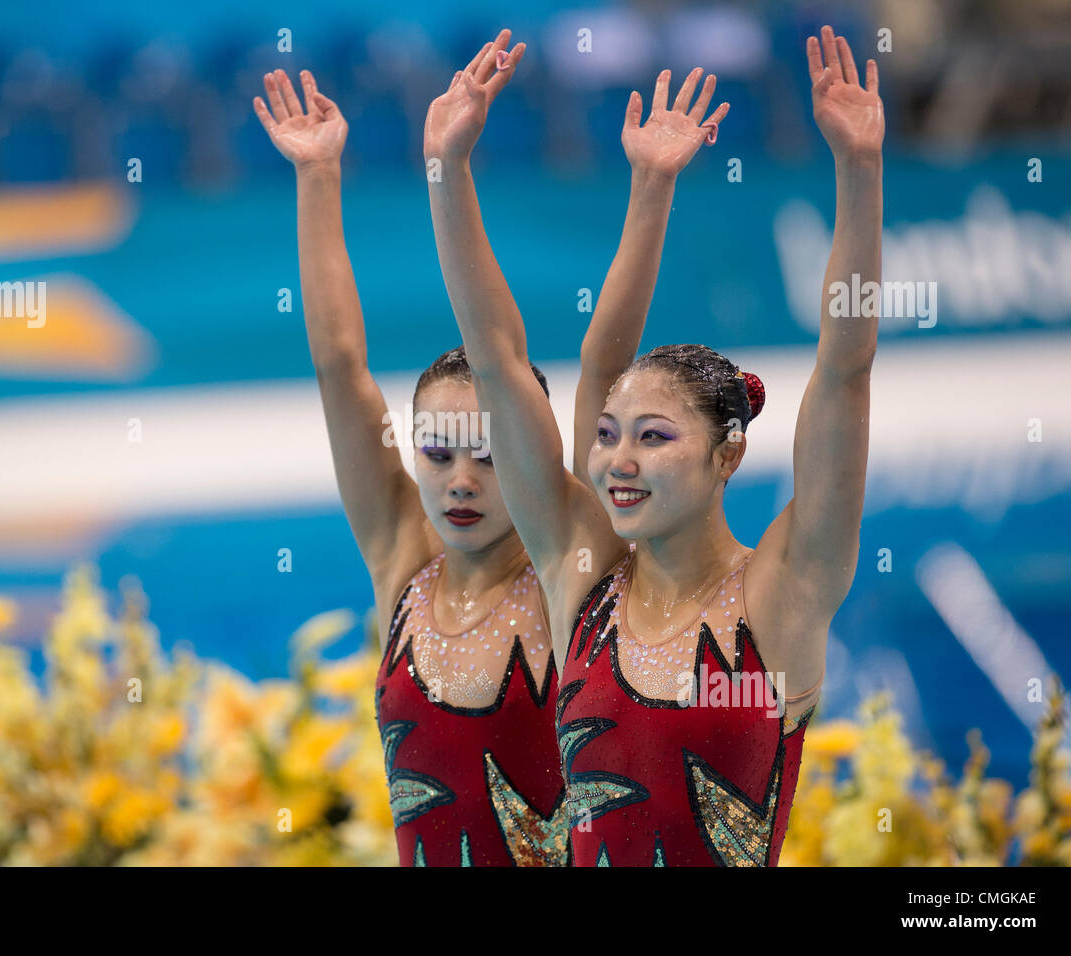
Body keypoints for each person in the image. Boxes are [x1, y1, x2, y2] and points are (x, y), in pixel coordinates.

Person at [424, 25, 882, 865]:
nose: (617, 461)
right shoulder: (579, 575)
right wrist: (445, 170)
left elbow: (845, 373)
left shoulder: (783, 593)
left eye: (654, 438)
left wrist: (858, 169)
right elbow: (494, 355)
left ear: (727, 457)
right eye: (604, 437)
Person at [251, 54, 723, 864]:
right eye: (436, 456)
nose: (461, 480)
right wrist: (318, 175)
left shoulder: (573, 570)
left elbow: (602, 363)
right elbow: (339, 365)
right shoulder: (400, 556)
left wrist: (650, 191)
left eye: (489, 458)